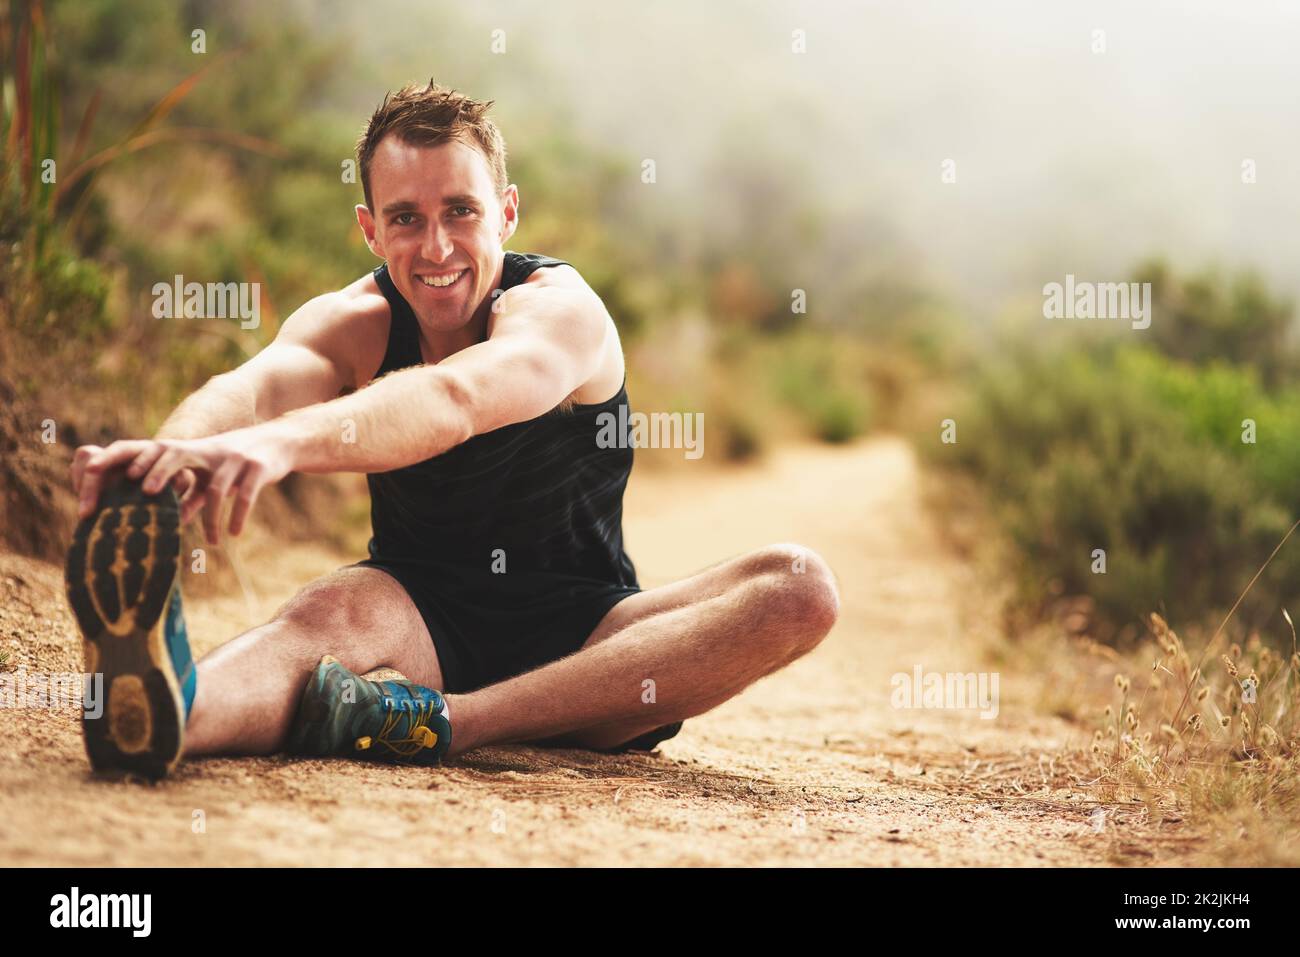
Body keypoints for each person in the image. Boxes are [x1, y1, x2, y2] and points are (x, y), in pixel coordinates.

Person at [65, 80, 840, 779]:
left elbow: (457, 399)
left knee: (800, 588)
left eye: (459, 211)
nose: (435, 248)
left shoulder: (559, 312)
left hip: (593, 638)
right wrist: (168, 460)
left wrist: (283, 444)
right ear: (371, 229)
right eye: (405, 219)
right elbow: (256, 385)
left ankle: (451, 722)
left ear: (506, 210)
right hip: (416, 612)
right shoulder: (354, 321)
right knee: (326, 617)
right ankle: (166, 715)